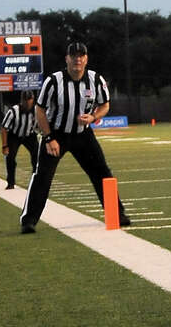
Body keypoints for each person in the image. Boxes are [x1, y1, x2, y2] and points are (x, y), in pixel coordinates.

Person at [19, 41, 131, 233]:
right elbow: (40, 110)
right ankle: (28, 220)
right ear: (67, 59)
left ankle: (117, 214)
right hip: (56, 134)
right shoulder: (53, 81)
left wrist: (93, 117)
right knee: (42, 176)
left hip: (82, 134)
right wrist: (48, 138)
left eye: (81, 56)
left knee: (102, 172)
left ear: (86, 59)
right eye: (73, 56)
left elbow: (105, 105)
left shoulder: (96, 80)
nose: (77, 59)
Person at [1, 91, 39, 190]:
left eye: (29, 100)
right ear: (22, 100)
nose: (28, 103)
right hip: (15, 136)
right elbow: (4, 128)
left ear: (33, 100)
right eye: (26, 101)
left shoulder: (36, 110)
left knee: (37, 156)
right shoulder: (13, 111)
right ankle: (10, 182)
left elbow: (41, 122)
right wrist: (5, 146)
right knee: (10, 158)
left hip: (29, 135)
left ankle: (36, 180)